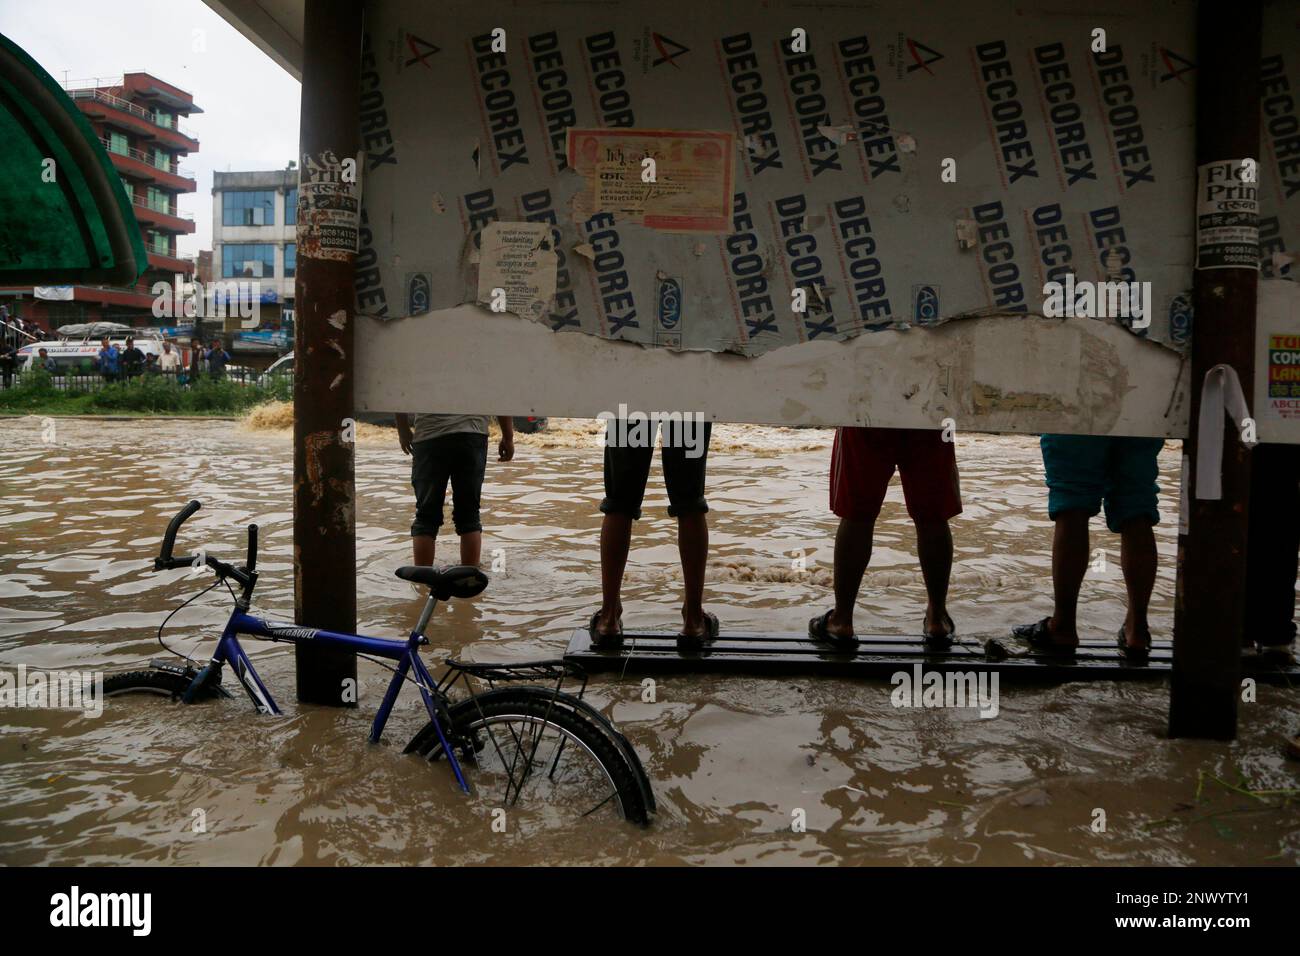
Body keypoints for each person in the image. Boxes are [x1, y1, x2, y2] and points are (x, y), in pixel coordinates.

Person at [1012, 434, 1165, 659]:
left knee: (1071, 500)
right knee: (1137, 499)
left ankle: (1062, 626)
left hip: (1078, 406)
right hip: (1143, 403)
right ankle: (1137, 630)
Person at [809, 427, 963, 648]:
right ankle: (937, 619)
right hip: (929, 409)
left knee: (857, 514)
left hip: (866, 406)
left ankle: (841, 621)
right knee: (932, 516)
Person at [590, 414, 716, 650]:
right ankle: (693, 622)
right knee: (690, 502)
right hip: (686, 396)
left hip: (633, 396)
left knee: (619, 501)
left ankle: (608, 619)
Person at [395, 412, 515, 568]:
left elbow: (402, 390)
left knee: (426, 516)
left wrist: (403, 430)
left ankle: (421, 585)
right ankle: (470, 580)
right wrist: (508, 437)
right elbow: (500, 394)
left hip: (429, 435)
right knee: (469, 515)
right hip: (472, 435)